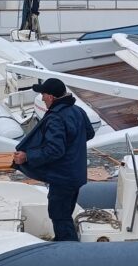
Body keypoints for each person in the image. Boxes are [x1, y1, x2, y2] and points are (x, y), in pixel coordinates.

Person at [12, 78, 94, 241]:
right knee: (65, 212)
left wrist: (27, 156)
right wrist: (73, 146)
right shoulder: (78, 111)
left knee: (59, 214)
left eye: (43, 94)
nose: (42, 98)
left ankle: (67, 247)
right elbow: (89, 133)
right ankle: (64, 242)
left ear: (51, 96)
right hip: (76, 174)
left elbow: (55, 150)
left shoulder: (56, 117)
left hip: (63, 177)